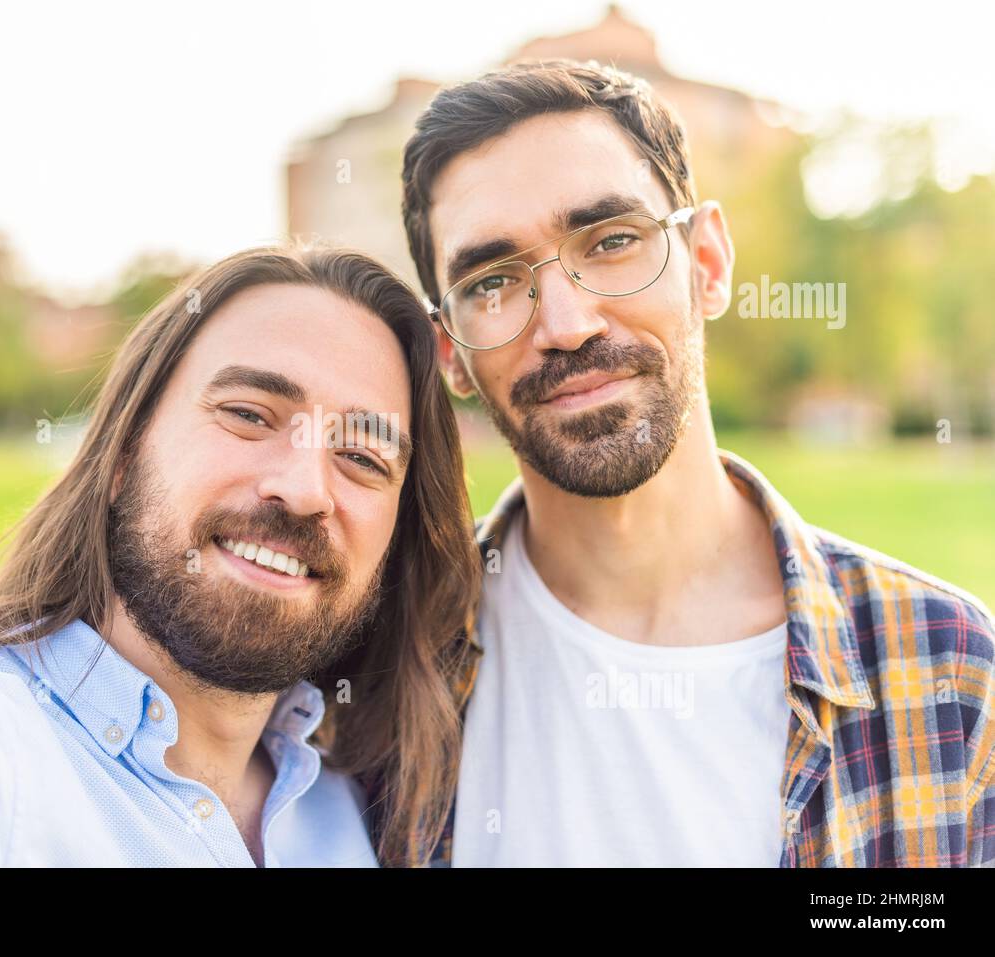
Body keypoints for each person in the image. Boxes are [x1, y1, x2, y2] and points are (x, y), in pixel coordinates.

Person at [0, 111, 481, 867]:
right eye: (249, 414)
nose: (305, 486)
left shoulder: (356, 803)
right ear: (119, 456)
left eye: (364, 458)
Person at [393, 59, 995, 866]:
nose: (566, 323)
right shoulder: (383, 669)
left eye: (611, 241)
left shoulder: (952, 673)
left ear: (707, 262)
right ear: (450, 352)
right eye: (494, 280)